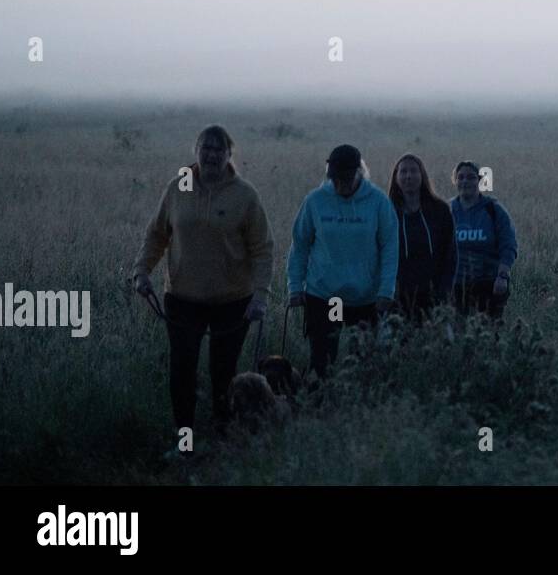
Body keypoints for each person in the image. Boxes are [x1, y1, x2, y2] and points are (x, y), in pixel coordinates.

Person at [134, 125, 274, 441]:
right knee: (182, 371)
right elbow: (157, 233)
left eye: (218, 149)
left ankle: (223, 438)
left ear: (229, 154)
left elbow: (262, 249)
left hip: (233, 301)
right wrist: (142, 271)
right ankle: (185, 440)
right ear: (196, 151)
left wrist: (261, 296)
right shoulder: (178, 186)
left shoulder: (245, 194)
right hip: (182, 299)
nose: (211, 155)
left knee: (224, 375)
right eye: (205, 148)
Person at [288, 145, 398, 378]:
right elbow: (300, 245)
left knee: (363, 363)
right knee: (323, 360)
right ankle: (320, 407)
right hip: (327, 297)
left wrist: (386, 290)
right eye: (335, 179)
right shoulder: (316, 200)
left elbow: (390, 247)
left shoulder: (378, 201)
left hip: (365, 299)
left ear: (360, 171)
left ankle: (359, 409)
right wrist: (295, 286)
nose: (340, 184)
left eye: (346, 178)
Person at [386, 153, 456, 322]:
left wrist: (445, 291)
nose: (408, 176)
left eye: (413, 171)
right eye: (403, 172)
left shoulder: (440, 210)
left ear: (422, 175)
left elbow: (450, 255)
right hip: (396, 296)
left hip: (433, 295)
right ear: (395, 178)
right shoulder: (386, 211)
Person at [450, 161, 518, 320]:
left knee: (488, 332)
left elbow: (508, 245)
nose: (465, 181)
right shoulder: (448, 210)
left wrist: (502, 277)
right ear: (455, 181)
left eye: (471, 177)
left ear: (480, 181)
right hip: (456, 285)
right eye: (460, 177)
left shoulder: (493, 209)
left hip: (488, 284)